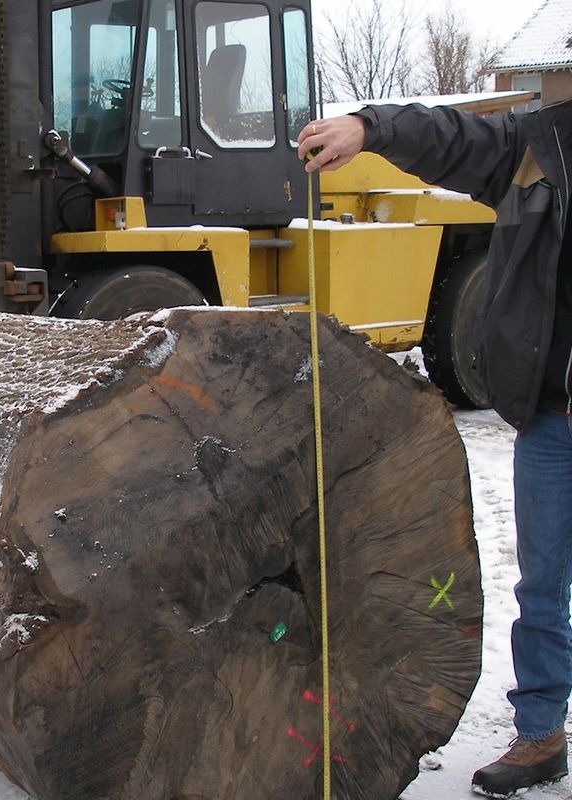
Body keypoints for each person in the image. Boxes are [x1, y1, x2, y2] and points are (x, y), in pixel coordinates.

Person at [298, 98, 572, 798]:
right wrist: (370, 129)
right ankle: (541, 733)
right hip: (554, 418)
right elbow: (454, 137)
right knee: (543, 585)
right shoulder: (538, 145)